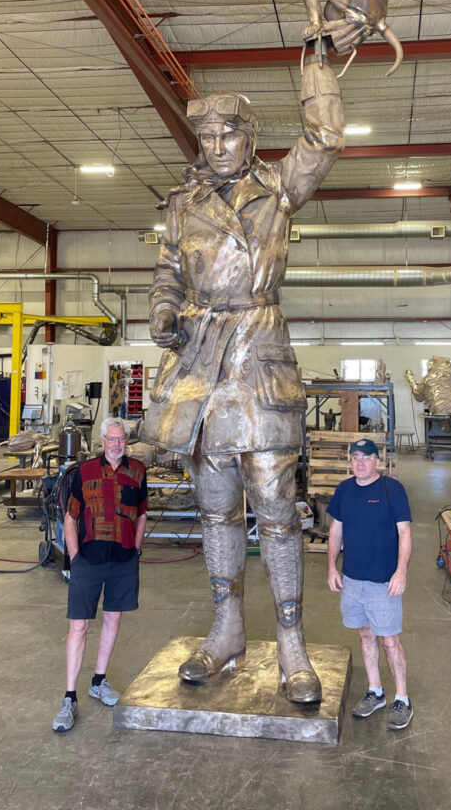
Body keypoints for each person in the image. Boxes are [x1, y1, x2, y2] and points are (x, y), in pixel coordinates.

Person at [142, 46, 345, 703]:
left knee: (278, 509)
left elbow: (325, 137)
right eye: (206, 135)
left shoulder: (279, 190)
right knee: (215, 509)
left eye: (229, 132)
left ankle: (291, 645)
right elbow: (167, 270)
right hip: (200, 365)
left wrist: (318, 64)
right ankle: (226, 628)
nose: (218, 144)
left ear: (250, 137)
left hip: (258, 356)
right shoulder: (182, 202)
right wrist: (163, 309)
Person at [52, 417, 148, 733]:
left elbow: (142, 513)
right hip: (89, 560)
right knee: (79, 625)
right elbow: (70, 516)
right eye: (111, 439)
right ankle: (69, 697)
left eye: (121, 439)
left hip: (122, 560)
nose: (116, 444)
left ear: (126, 442)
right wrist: (75, 557)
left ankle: (99, 680)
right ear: (102, 441)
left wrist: (135, 550)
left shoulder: (138, 471)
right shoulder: (84, 472)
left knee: (113, 619)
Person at [326, 437, 414, 730]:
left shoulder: (393, 490)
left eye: (366, 457)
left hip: (382, 582)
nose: (359, 462)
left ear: (378, 461)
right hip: (352, 579)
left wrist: (401, 572)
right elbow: (335, 532)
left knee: (389, 640)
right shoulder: (344, 490)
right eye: (354, 457)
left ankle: (402, 698)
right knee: (365, 634)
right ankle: (375, 691)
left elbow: (405, 533)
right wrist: (331, 567)